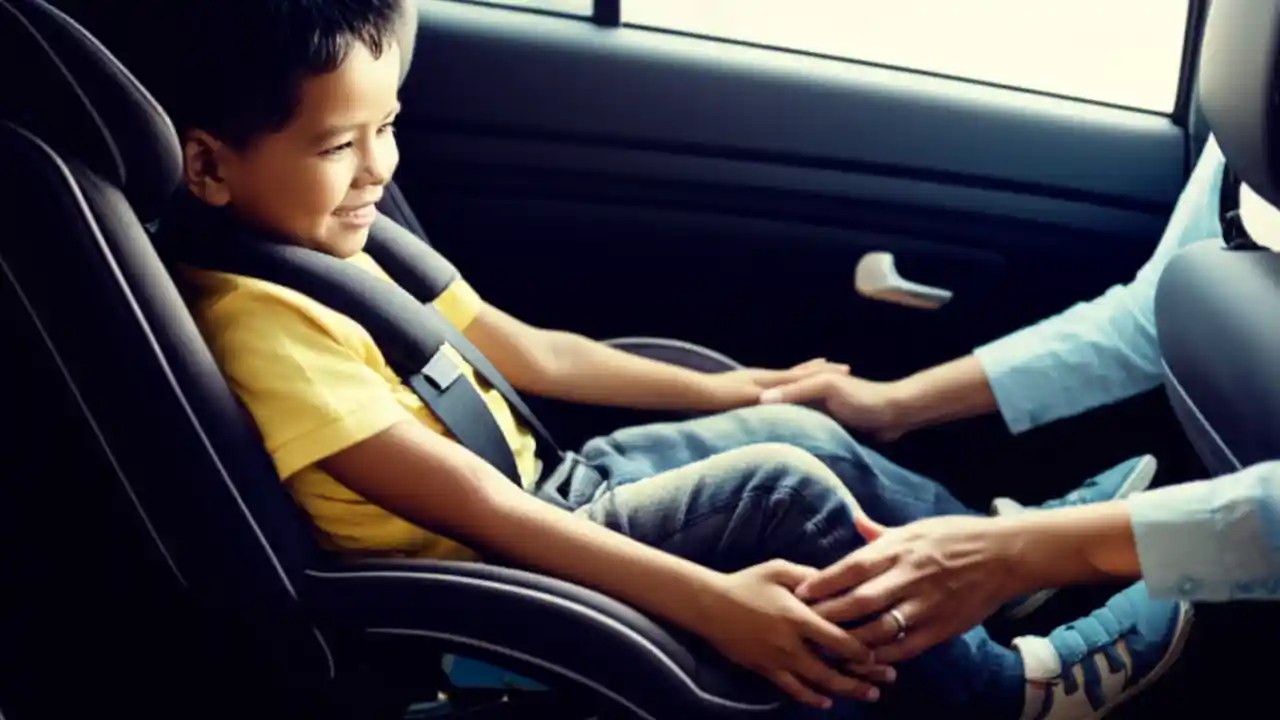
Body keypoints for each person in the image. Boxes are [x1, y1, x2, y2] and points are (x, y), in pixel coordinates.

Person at [139, 1, 1192, 717]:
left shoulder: (351, 254)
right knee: (784, 482)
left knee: (795, 426)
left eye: (390, 128)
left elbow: (531, 352)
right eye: (337, 146)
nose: (379, 167)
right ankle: (1005, 690)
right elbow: (483, 515)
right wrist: (713, 605)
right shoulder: (261, 328)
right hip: (500, 568)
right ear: (209, 165)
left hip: (554, 489)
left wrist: (740, 386)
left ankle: (991, 556)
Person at [760, 133, 1247, 713]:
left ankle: (968, 541)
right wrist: (1027, 552)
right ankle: (1007, 691)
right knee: (782, 490)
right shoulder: (1248, 119)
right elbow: (1154, 314)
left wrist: (892, 404)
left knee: (791, 445)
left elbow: (1151, 314)